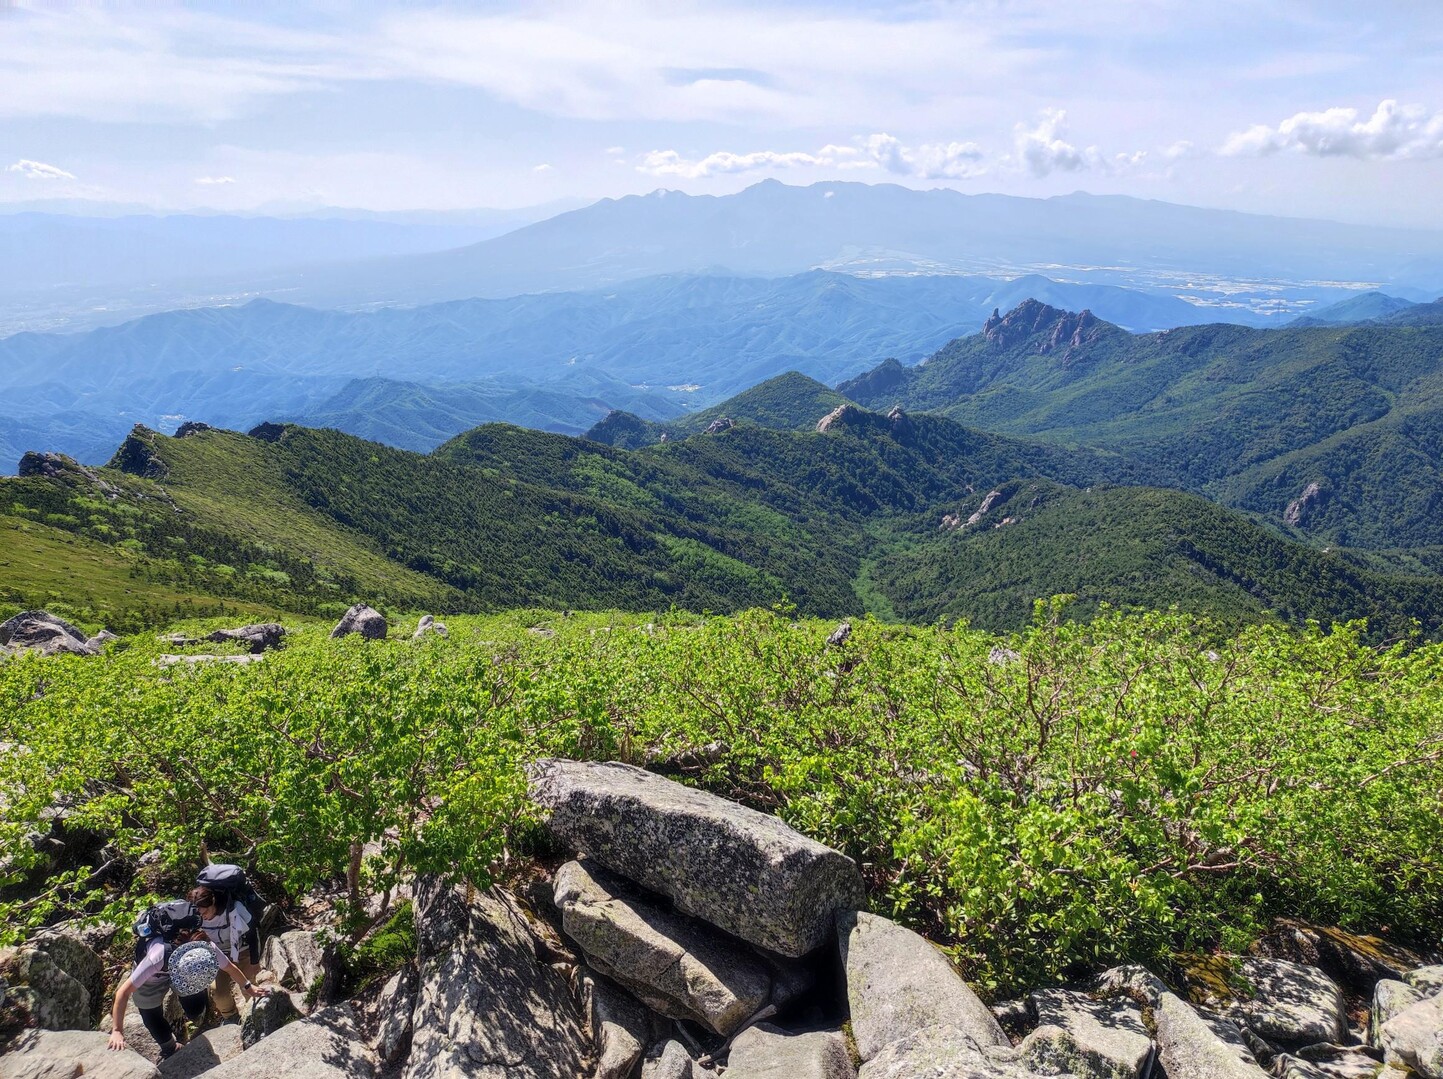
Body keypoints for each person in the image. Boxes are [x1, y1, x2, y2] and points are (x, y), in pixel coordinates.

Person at [106, 900, 268, 1059]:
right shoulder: (157, 956)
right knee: (150, 1012)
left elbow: (230, 968)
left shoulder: (205, 947)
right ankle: (170, 1047)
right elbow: (123, 992)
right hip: (153, 977)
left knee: (195, 1007)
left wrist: (248, 986)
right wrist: (117, 1030)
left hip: (186, 970)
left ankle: (198, 1015)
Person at [190, 883, 261, 1021]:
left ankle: (256, 1015)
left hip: (242, 949)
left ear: (213, 902)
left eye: (205, 912)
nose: (203, 917)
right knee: (218, 993)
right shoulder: (194, 917)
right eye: (200, 914)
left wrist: (255, 961)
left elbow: (252, 933)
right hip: (218, 954)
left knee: (249, 985)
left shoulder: (234, 908)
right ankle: (231, 1018)